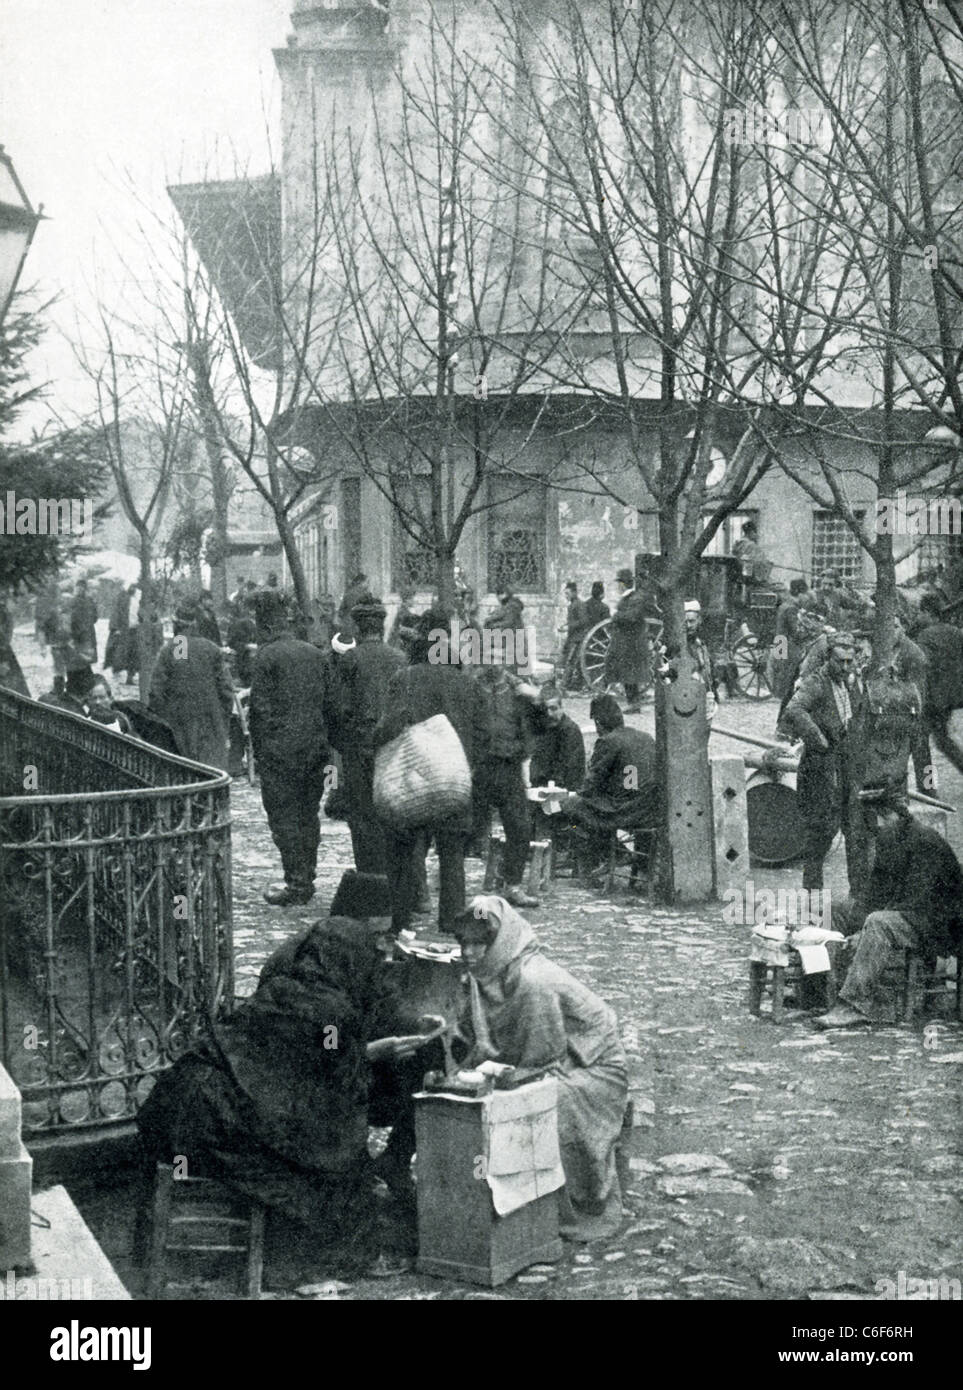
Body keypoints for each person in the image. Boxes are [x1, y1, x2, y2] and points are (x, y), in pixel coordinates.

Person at [137, 916, 441, 1281]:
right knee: (335, 1166)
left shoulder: (281, 988)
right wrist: (376, 1056)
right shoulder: (333, 1010)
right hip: (214, 1130)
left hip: (171, 1111)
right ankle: (320, 1258)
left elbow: (303, 1056)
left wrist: (367, 1051)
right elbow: (333, 1085)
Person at [452, 896, 628, 1238]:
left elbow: (540, 1056)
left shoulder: (532, 980)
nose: (469, 953)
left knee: (542, 1104)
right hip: (551, 1056)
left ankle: (561, 1203)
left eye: (479, 944)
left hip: (591, 1067)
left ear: (499, 942)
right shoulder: (485, 974)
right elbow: (479, 1035)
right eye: (464, 943)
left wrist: (495, 1076)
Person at [375, 609, 489, 935]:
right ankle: (452, 925)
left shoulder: (404, 680)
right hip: (454, 783)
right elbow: (485, 737)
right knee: (452, 859)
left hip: (412, 782)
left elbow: (388, 727)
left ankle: (402, 922)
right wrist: (465, 766)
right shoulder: (469, 685)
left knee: (402, 852)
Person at [818, 796, 963, 1028]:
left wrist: (863, 931)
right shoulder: (888, 839)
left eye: (877, 820)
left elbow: (917, 900)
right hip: (908, 914)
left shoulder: (926, 841)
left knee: (878, 923)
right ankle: (819, 988)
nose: (874, 826)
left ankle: (854, 1004)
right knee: (834, 909)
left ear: (893, 815)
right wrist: (855, 922)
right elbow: (874, 893)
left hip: (935, 923)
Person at [249, 590, 332, 906]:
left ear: (266, 625)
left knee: (284, 818)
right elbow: (330, 704)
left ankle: (297, 883)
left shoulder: (266, 657)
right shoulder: (314, 654)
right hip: (314, 750)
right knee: (308, 815)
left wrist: (259, 751)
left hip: (280, 753)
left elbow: (260, 710)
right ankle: (306, 877)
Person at [778, 630, 867, 899]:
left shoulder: (852, 682)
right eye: (840, 661)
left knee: (854, 829)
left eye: (850, 661)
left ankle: (858, 894)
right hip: (820, 767)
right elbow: (794, 710)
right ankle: (812, 893)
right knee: (821, 832)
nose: (846, 666)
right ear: (829, 658)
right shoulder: (816, 682)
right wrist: (818, 739)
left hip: (845, 765)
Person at [327, 593, 406, 874]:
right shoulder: (400, 659)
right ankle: (396, 878)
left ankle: (368, 876)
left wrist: (341, 745)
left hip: (358, 749)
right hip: (394, 749)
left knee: (361, 816)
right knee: (394, 813)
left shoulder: (351, 659)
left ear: (359, 629)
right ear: (382, 627)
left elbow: (337, 707)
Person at [471, 646, 540, 908]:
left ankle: (512, 885)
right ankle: (445, 879)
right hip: (480, 766)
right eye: (489, 658)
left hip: (509, 766)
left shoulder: (517, 688)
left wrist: (536, 698)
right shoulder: (473, 685)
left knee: (519, 828)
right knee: (463, 827)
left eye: (499, 659)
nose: (494, 664)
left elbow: (541, 718)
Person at [563, 692, 659, 875]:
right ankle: (620, 852)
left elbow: (591, 784)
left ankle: (598, 860)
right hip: (649, 808)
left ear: (598, 722)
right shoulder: (645, 737)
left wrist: (573, 793)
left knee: (572, 810)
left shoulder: (608, 741)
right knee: (591, 810)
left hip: (625, 810)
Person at [148, 602, 234, 771]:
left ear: (176, 624)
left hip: (177, 725)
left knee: (180, 772)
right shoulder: (212, 649)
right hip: (210, 723)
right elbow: (226, 692)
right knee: (210, 773)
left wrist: (162, 721)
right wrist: (222, 720)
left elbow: (156, 692)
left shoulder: (170, 649)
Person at [912, 593, 963, 777]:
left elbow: (921, 666)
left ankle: (928, 788)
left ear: (927, 612)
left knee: (920, 745)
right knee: (943, 741)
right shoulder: (956, 633)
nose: (918, 616)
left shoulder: (925, 636)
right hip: (949, 699)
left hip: (929, 699)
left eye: (920, 612)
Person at [605, 567, 650, 714]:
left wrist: (616, 615)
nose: (618, 586)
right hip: (626, 642)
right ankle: (633, 702)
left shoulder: (636, 598)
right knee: (627, 674)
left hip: (632, 643)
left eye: (619, 583)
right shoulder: (629, 597)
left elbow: (632, 617)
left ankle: (634, 703)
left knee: (630, 674)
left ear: (623, 584)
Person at [529, 688, 586, 792]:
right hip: (542, 789)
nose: (549, 714)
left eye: (553, 708)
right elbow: (536, 762)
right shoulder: (541, 727)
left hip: (563, 791)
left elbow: (572, 770)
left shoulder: (570, 730)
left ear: (561, 708)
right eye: (545, 710)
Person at [683, 600, 717, 714]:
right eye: (685, 622)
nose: (688, 625)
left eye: (692, 621)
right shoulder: (680, 644)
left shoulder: (702, 642)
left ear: (699, 620)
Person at [560, 581, 589, 692]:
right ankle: (577, 685)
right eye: (565, 594)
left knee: (571, 662)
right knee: (575, 662)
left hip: (579, 638)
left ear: (574, 593)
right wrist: (566, 625)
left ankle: (563, 686)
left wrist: (569, 627)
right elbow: (574, 621)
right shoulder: (572, 605)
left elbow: (583, 621)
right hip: (574, 637)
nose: (566, 596)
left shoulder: (579, 604)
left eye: (567, 593)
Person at [70, 577, 98, 664]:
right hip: (79, 632)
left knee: (84, 657)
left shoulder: (87, 601)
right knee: (81, 657)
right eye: (78, 587)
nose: (79, 589)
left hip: (84, 632)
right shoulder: (74, 601)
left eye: (81, 588)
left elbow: (95, 616)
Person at [388, 584, 420, 657]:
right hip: (401, 643)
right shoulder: (404, 612)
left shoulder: (402, 611)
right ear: (406, 600)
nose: (414, 601)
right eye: (412, 599)